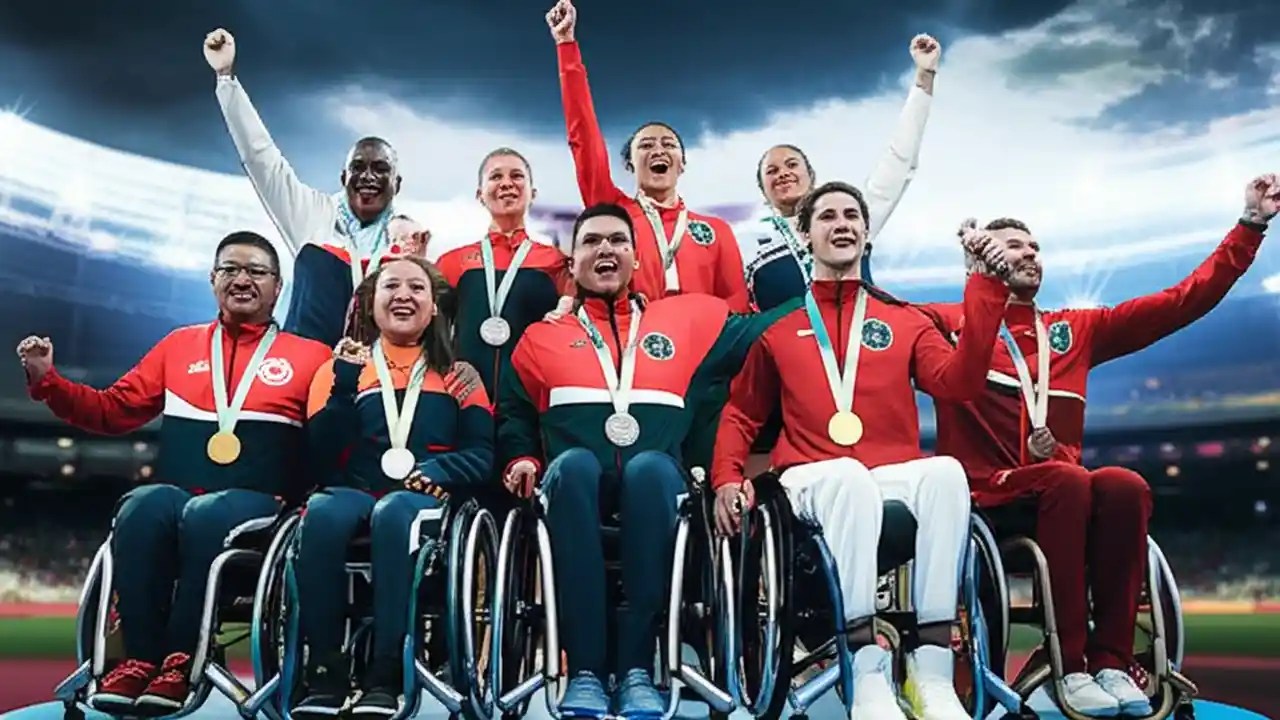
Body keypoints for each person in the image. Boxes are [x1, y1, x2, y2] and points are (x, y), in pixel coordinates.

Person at [918, 174, 1277, 717]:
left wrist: (1249, 227)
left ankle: (1111, 660)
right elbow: (882, 322)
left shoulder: (1074, 331)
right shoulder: (944, 321)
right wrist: (979, 281)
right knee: (1069, 478)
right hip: (983, 499)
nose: (1030, 254)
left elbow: (1181, 301)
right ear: (979, 261)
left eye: (1035, 246)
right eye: (1014, 246)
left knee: (1124, 484)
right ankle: (1070, 660)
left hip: (1064, 497)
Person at [710, 181, 1014, 720]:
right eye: (827, 216)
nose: (842, 223)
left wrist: (983, 286)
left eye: (852, 215)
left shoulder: (905, 320)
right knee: (848, 477)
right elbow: (740, 414)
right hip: (809, 478)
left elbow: (960, 382)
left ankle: (933, 667)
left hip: (889, 474)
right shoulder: (777, 331)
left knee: (944, 473)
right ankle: (865, 664)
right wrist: (726, 479)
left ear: (867, 233)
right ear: (805, 235)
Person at [498, 203, 795, 719]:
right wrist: (521, 458)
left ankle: (637, 668)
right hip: (575, 490)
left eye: (617, 240)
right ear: (573, 262)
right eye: (591, 242)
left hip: (658, 488)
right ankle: (586, 669)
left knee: (651, 468)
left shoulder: (691, 319)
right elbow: (515, 416)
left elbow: (771, 327)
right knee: (571, 467)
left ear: (637, 259)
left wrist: (826, 271)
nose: (605, 249)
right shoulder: (539, 338)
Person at [15, 232, 331, 714]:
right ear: (212, 279)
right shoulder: (178, 346)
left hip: (262, 505)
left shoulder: (310, 356)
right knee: (141, 504)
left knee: (204, 513)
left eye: (256, 272)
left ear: (278, 286)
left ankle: (182, 660)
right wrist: (49, 383)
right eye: (229, 269)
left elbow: (334, 438)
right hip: (180, 498)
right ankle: (138, 660)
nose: (241, 279)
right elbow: (112, 411)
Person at [293, 256, 495, 718]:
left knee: (394, 515)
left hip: (422, 498)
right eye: (392, 286)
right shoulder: (336, 370)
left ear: (433, 308)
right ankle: (324, 670)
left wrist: (439, 471)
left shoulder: (461, 375)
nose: (404, 295)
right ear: (370, 305)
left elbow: (482, 456)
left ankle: (384, 673)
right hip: (356, 490)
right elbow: (321, 460)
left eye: (416, 288)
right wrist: (343, 385)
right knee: (321, 512)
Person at [205, 28, 428, 349]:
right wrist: (226, 78)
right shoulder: (312, 215)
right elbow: (261, 159)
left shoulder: (410, 241)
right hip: (305, 374)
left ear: (398, 184)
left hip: (377, 377)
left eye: (380, 169)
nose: (368, 176)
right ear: (343, 177)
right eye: (358, 168)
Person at [546, 0, 750, 312]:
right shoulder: (615, 214)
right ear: (629, 164)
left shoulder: (716, 230)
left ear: (682, 163)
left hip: (706, 351)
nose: (658, 149)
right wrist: (566, 45)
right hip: (633, 348)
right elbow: (583, 138)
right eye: (646, 145)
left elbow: (735, 303)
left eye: (668, 144)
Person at [742, 34, 939, 311]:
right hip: (787, 352)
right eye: (771, 171)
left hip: (864, 344)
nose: (783, 173)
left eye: (792, 164)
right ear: (764, 192)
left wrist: (924, 78)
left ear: (812, 177)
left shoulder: (849, 216)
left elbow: (899, 161)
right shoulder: (746, 245)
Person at [435, 147, 570, 400]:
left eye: (517, 176)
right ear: (479, 194)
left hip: (531, 402)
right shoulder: (451, 262)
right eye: (496, 177)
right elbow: (432, 332)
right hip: (463, 399)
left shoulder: (557, 262)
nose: (507, 183)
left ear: (533, 193)